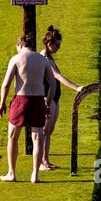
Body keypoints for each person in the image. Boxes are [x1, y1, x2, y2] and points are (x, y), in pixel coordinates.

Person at [0, 35, 55, 183]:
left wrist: (2, 103)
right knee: (37, 137)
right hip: (38, 100)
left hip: (21, 99)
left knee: (12, 137)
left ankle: (12, 173)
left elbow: (6, 85)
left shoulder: (16, 59)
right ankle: (35, 174)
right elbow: (53, 84)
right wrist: (47, 102)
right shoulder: (43, 60)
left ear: (20, 45)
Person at [37, 26, 83, 171]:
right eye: (57, 45)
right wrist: (76, 88)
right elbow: (57, 76)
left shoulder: (50, 57)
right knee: (44, 131)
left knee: (49, 131)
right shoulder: (44, 58)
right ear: (49, 43)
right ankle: (40, 163)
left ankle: (46, 160)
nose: (58, 48)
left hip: (55, 98)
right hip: (47, 98)